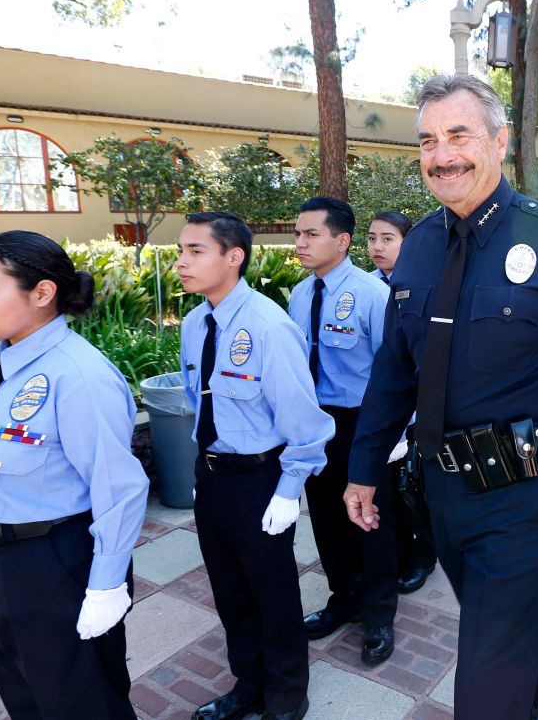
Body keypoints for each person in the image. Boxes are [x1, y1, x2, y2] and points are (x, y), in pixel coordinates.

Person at [341, 74, 538, 720]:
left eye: (458, 135)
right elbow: (395, 372)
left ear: (499, 141)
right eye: (427, 140)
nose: (442, 154)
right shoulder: (417, 245)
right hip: (440, 492)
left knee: (483, 687)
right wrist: (365, 468)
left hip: (525, 492)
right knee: (500, 628)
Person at [0, 230, 148, 720]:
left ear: (43, 292)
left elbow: (119, 488)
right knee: (24, 693)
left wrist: (107, 584)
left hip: (56, 563)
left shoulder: (79, 376)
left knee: (82, 702)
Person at [176, 211, 334, 720]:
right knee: (230, 590)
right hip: (214, 475)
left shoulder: (269, 327)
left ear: (233, 257)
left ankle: (288, 694)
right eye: (181, 251)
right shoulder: (195, 322)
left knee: (273, 593)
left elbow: (304, 422)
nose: (182, 262)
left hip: (261, 480)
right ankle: (248, 684)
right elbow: (199, 403)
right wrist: (204, 469)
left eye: (196, 251)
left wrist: (289, 490)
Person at [288, 198, 398, 666]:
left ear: (342, 240)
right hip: (316, 425)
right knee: (328, 520)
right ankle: (344, 597)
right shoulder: (299, 294)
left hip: (361, 424)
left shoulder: (373, 295)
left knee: (369, 521)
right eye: (298, 233)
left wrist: (400, 433)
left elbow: (398, 370)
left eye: (311, 234)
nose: (300, 243)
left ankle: (378, 614)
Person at [367, 210, 439, 594]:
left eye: (388, 238)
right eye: (373, 238)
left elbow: (416, 360)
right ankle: (396, 553)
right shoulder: (368, 288)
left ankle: (424, 556)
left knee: (414, 489)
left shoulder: (425, 286)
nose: (377, 246)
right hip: (381, 409)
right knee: (389, 493)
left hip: (414, 411)